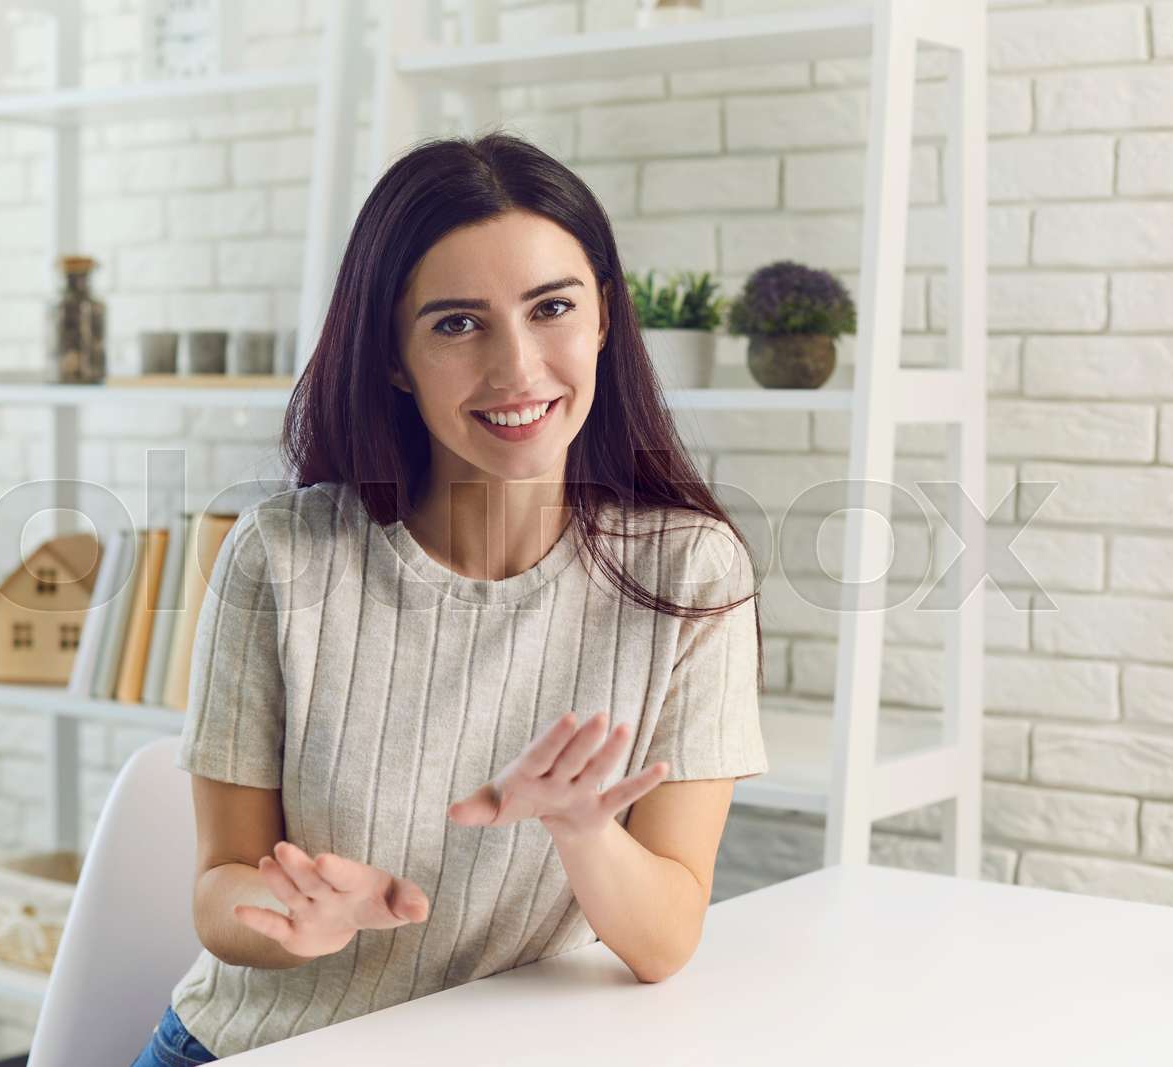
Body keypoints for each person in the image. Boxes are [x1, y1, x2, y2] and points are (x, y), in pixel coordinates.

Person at [129, 130, 767, 1066]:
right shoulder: (280, 556)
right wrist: (296, 917)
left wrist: (584, 828)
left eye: (552, 307)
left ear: (603, 317)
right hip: (251, 1046)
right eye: (458, 324)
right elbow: (218, 890)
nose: (518, 369)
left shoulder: (693, 573)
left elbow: (664, 939)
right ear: (394, 356)